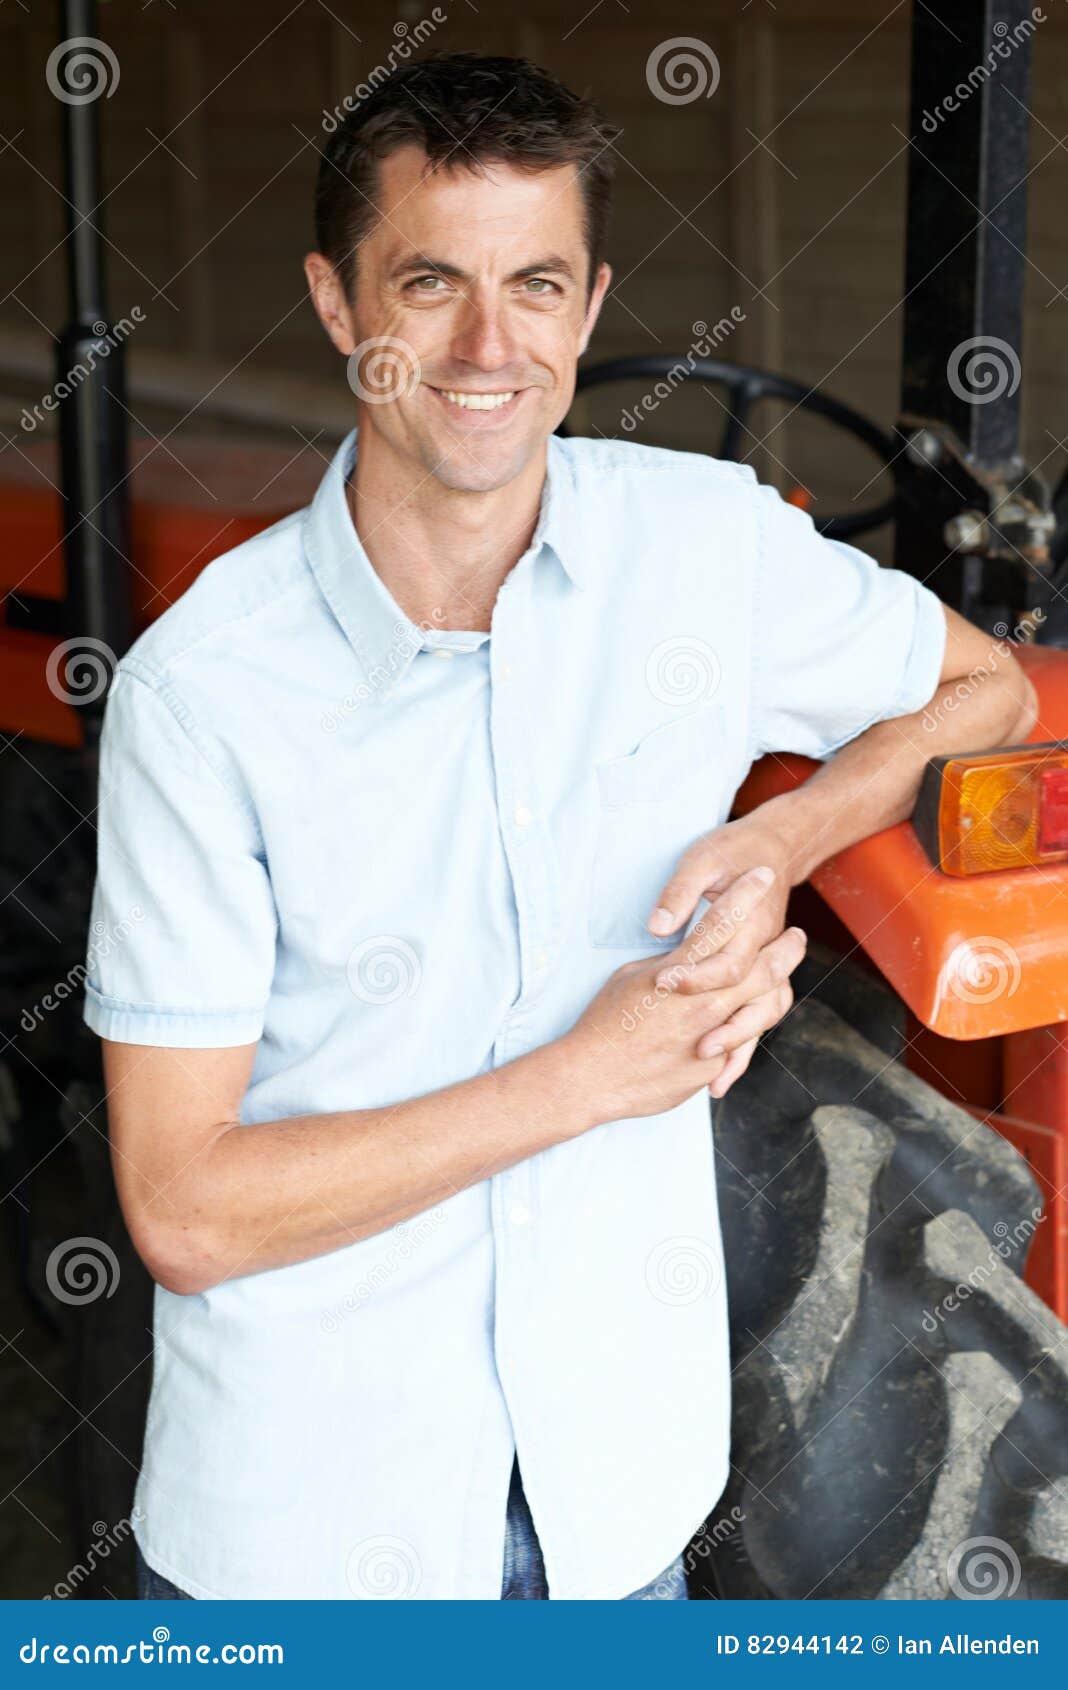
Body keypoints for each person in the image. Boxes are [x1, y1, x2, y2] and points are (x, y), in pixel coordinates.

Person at [85, 52, 1036, 1601]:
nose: (487, 344)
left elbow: (982, 686)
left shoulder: (704, 547)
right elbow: (183, 1207)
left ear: (588, 308)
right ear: (339, 306)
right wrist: (581, 1080)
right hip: (312, 1551)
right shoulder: (205, 695)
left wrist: (783, 839)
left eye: (535, 285)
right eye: (429, 284)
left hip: (617, 1520)